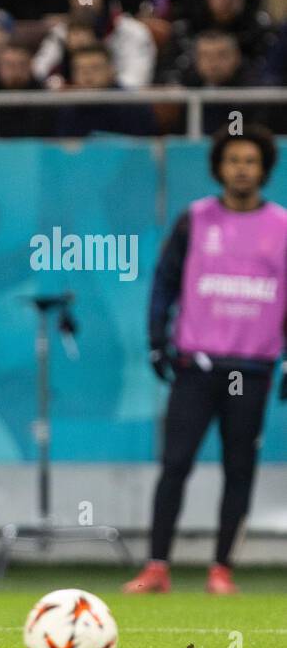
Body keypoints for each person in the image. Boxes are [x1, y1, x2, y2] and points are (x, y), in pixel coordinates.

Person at [126, 125, 287, 597]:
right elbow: (164, 283)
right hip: (195, 367)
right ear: (219, 167)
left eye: (250, 161)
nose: (241, 168)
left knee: (240, 470)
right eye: (233, 159)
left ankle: (221, 570)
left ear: (264, 170)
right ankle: (157, 567)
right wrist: (157, 340)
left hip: (252, 369)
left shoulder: (282, 226)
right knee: (175, 464)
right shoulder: (193, 220)